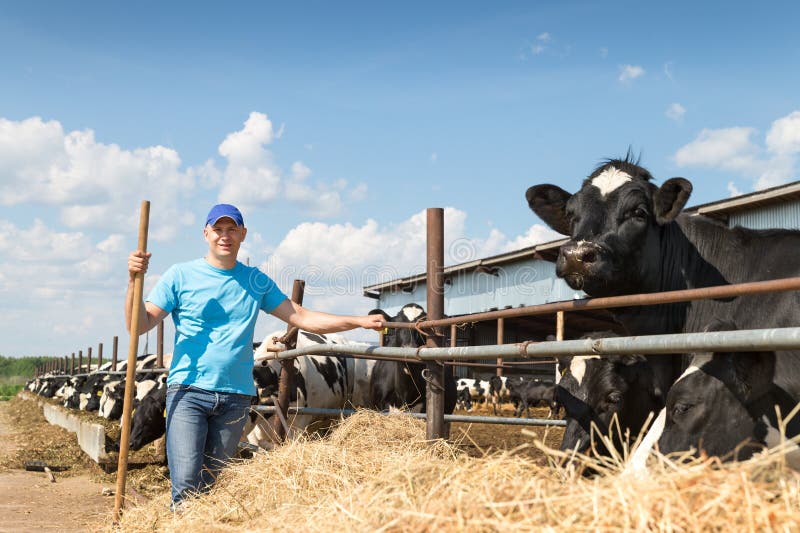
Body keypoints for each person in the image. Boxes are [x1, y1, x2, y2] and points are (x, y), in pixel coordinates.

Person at [125, 203, 384, 509]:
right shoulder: (180, 276)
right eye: (218, 229)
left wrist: (357, 321)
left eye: (232, 229)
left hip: (235, 398)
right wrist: (133, 282)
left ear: (243, 234)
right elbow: (138, 325)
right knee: (185, 488)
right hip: (188, 392)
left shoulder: (255, 281)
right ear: (206, 233)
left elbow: (301, 316)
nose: (225, 235)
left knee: (211, 487)